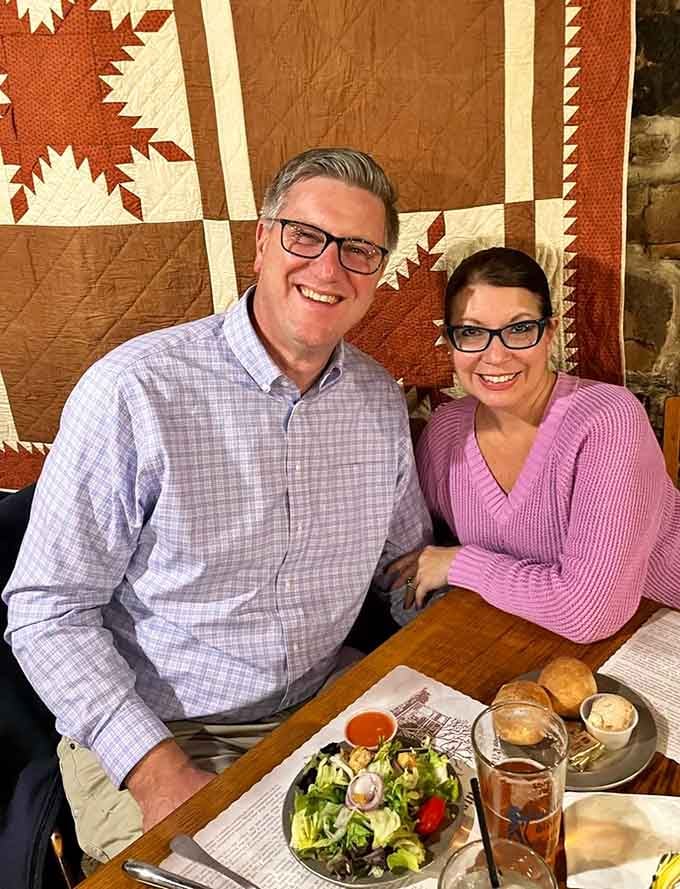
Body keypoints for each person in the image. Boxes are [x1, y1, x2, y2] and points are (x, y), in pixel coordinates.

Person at [3, 148, 431, 863]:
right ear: (262, 240)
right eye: (306, 236)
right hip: (160, 730)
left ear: (379, 271)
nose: (329, 270)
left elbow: (404, 566)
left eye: (359, 250)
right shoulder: (135, 392)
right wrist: (155, 767)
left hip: (320, 701)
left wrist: (481, 630)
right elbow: (46, 609)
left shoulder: (378, 399)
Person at [390, 247, 679, 643]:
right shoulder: (444, 432)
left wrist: (460, 562)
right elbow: (418, 553)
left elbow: (588, 614)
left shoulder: (608, 419)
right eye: (472, 332)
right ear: (450, 342)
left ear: (550, 332)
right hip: (537, 635)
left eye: (520, 328)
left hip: (657, 625)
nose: (495, 355)